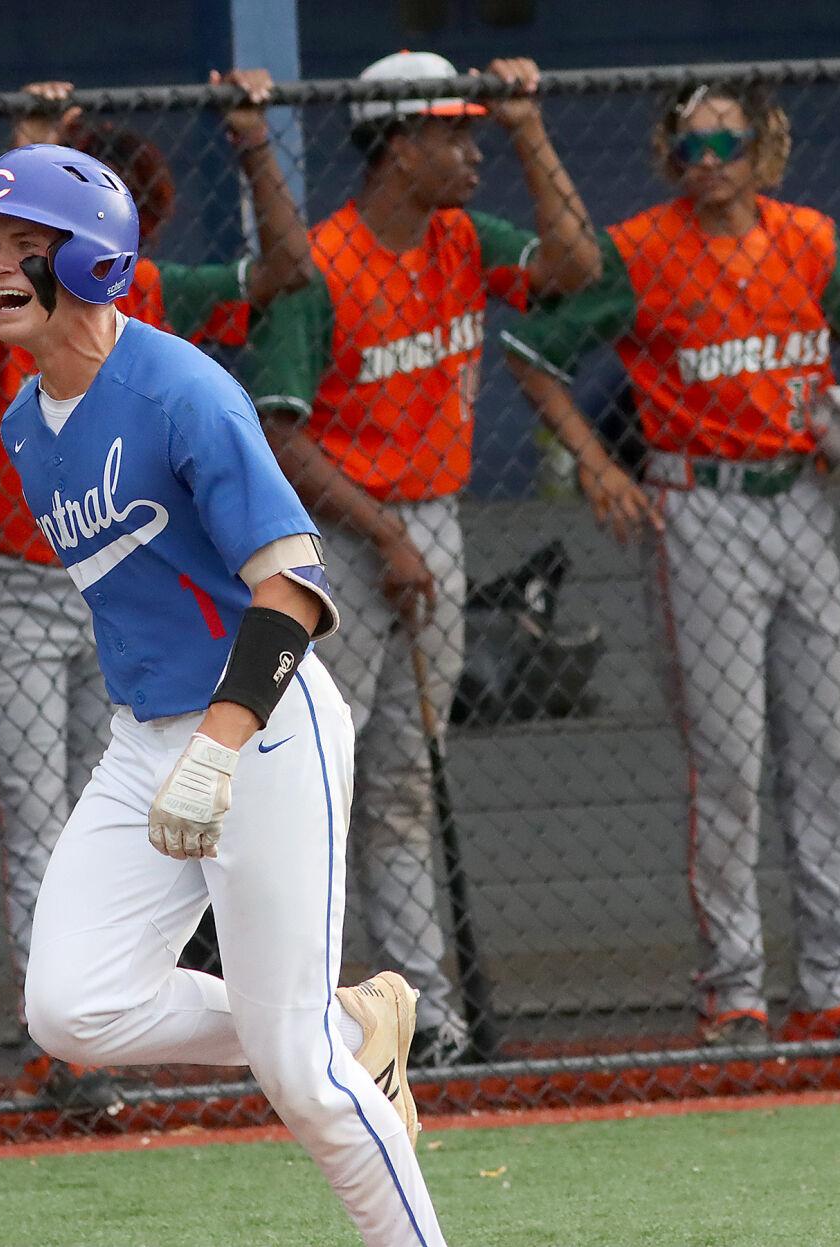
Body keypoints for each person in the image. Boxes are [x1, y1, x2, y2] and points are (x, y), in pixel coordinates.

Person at [0, 140, 446, 1247]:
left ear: (99, 262)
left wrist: (218, 744)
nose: (0, 272)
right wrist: (173, 748)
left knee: (302, 1083)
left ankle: (334, 1076)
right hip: (145, 739)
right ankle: (346, 1023)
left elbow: (293, 583)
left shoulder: (183, 391)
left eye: (32, 248)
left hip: (261, 726)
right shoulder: (25, 426)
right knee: (68, 1004)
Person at [504, 81, 840, 1046]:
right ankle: (732, 991)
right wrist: (597, 465)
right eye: (689, 144)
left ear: (764, 146)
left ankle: (831, 988)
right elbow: (530, 346)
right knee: (728, 763)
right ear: (669, 156)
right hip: (699, 511)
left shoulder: (807, 236)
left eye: (727, 140)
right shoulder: (642, 246)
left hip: (803, 500)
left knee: (825, 752)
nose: (709, 158)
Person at [0, 73, 312, 1111]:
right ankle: (66, 1054)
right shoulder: (7, 325)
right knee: (40, 817)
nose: (6, 262)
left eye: (42, 237)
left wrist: (250, 145)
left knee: (137, 815)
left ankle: (298, 1030)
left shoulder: (162, 322)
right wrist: (24, 149)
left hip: (154, 615)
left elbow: (286, 270)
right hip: (17, 585)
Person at [243, 50, 602, 1067]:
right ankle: (298, 1010)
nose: (468, 150)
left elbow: (574, 268)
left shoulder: (460, 238)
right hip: (331, 546)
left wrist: (531, 129)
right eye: (451, 133)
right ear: (395, 146)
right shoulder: (321, 263)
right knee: (313, 778)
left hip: (426, 522)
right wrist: (385, 534)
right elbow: (280, 436)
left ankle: (422, 1013)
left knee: (403, 779)